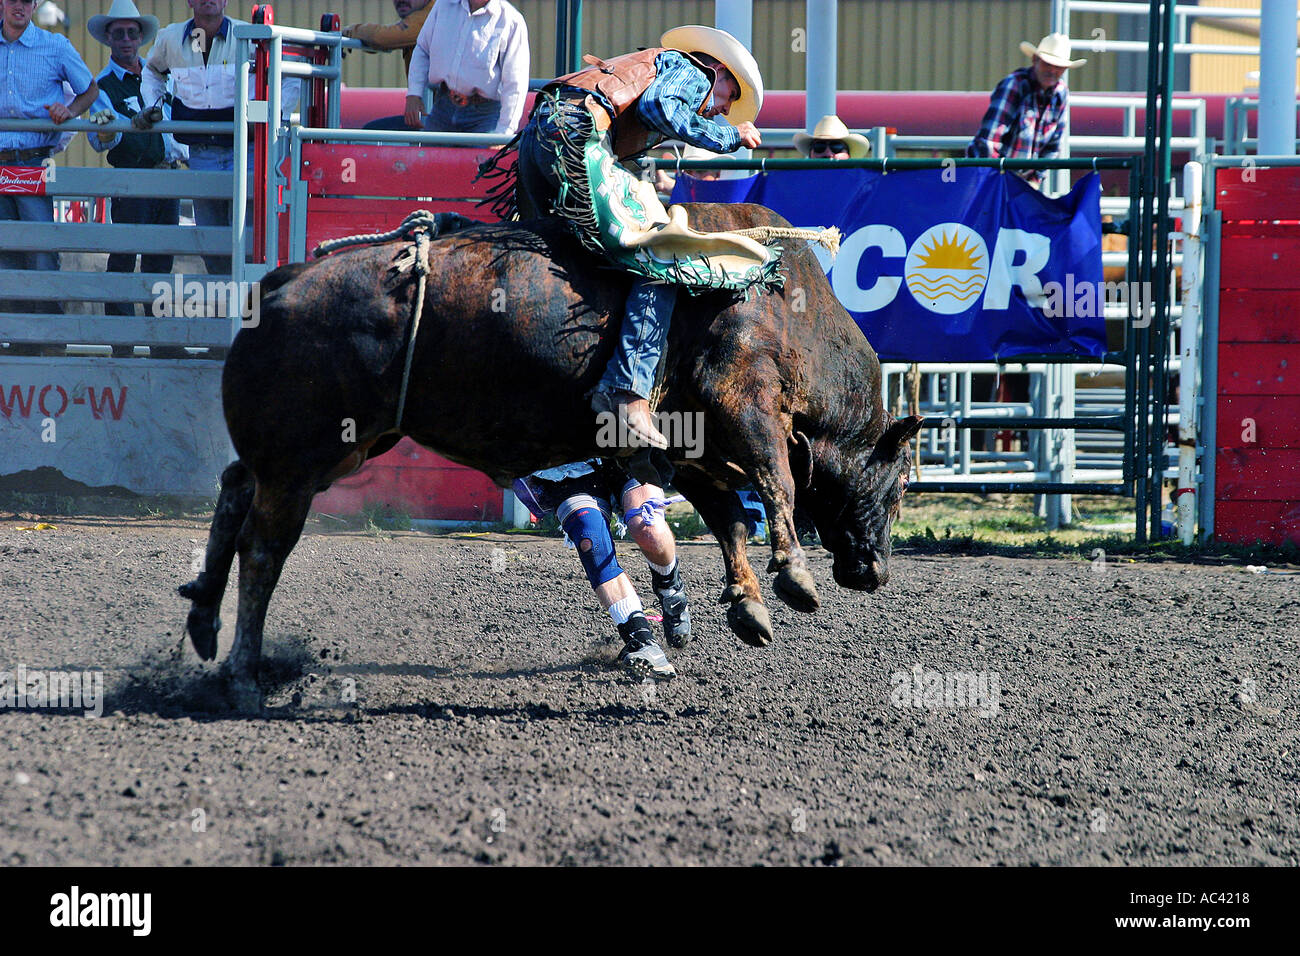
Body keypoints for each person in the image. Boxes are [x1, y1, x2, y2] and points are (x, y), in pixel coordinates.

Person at [510, 25, 766, 454]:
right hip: (577, 137)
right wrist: (729, 138)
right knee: (657, 256)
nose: (722, 110)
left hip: (542, 137)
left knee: (554, 249)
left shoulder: (645, 67)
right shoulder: (690, 69)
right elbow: (660, 107)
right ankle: (628, 392)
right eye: (728, 99)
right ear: (718, 71)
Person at [513, 460, 692, 681]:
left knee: (647, 529)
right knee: (590, 541)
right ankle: (642, 640)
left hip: (624, 453)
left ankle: (670, 591)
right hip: (568, 470)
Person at [85, 0, 187, 355]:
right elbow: (101, 140)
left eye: (132, 33)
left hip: (166, 176)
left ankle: (158, 341)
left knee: (160, 260)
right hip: (132, 178)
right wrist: (113, 130)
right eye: (119, 34)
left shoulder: (158, 75)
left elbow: (177, 129)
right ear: (109, 39)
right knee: (126, 258)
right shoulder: (102, 85)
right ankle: (123, 341)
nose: (126, 39)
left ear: (140, 37)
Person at [0, 0, 100, 341]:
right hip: (2, 162)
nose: (19, 6)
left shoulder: (54, 45)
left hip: (32, 159)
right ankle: (16, 337)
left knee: (40, 250)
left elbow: (89, 89)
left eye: (26, 0)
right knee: (6, 253)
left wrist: (68, 110)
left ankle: (48, 337)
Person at [966, 32, 1086, 187]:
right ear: (1035, 60)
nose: (1052, 71)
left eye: (1059, 67)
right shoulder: (1014, 85)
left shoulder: (1061, 94)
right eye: (1047, 64)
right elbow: (989, 141)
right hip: (989, 176)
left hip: (1022, 182)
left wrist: (1035, 179)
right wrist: (996, 179)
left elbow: (1053, 145)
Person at [404, 0, 528, 135]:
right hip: (443, 107)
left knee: (483, 157)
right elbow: (423, 49)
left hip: (485, 117)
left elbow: (515, 82)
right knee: (430, 156)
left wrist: (504, 132)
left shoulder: (511, 20)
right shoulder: (444, 5)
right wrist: (414, 94)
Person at [343, 0, 434, 131]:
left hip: (444, 116)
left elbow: (385, 37)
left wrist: (351, 30)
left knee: (371, 134)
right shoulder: (423, 16)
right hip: (437, 112)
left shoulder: (432, 14)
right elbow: (386, 39)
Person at [794, 114, 870, 160]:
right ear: (810, 154)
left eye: (836, 147)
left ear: (848, 155)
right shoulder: (796, 181)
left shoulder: (863, 183)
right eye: (819, 147)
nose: (828, 154)